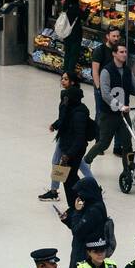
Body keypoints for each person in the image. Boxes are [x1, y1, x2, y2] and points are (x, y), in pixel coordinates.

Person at [84, 42, 135, 164]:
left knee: (127, 144)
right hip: (108, 115)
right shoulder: (106, 71)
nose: (124, 54)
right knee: (104, 143)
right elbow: (105, 94)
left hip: (123, 115)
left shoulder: (127, 71)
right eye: (121, 52)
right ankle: (86, 161)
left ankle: (128, 172)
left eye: (126, 52)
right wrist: (120, 106)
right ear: (114, 54)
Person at [41, 75, 93, 203]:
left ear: (72, 82)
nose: (62, 81)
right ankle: (93, 185)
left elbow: (65, 120)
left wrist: (56, 125)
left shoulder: (71, 103)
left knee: (57, 162)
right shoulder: (70, 101)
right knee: (79, 163)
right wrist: (55, 125)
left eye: (65, 79)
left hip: (68, 140)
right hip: (67, 139)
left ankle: (54, 191)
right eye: (62, 78)